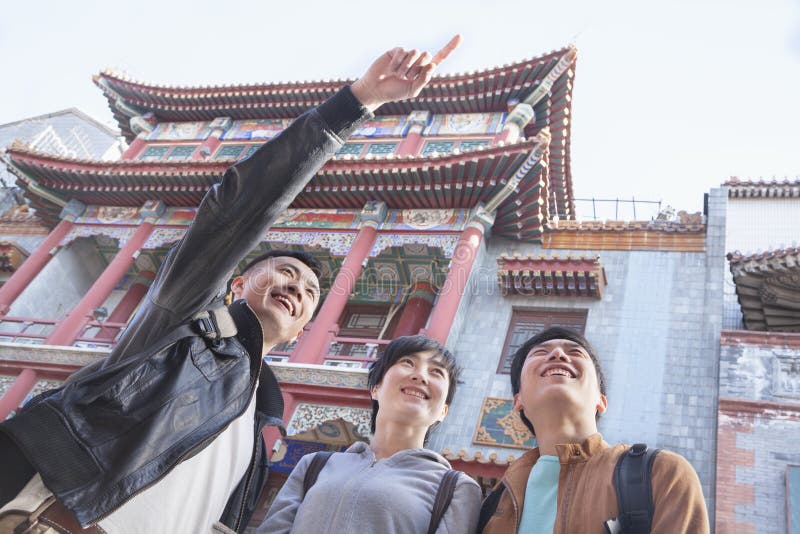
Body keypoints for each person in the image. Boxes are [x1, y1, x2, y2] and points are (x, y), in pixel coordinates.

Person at [0, 36, 461, 533]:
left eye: (311, 292)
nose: (298, 288)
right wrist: (359, 101)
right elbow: (233, 213)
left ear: (305, 328)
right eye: (285, 272)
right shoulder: (183, 328)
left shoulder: (261, 411)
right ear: (236, 282)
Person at [480, 327, 709, 534]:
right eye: (540, 352)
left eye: (576, 353)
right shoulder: (494, 504)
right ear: (518, 401)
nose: (558, 354)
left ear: (601, 401)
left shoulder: (661, 475)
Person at [260, 335, 482, 533]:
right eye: (408, 362)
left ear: (443, 411)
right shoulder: (314, 465)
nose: (420, 376)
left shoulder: (456, 489)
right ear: (375, 388)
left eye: (436, 372)